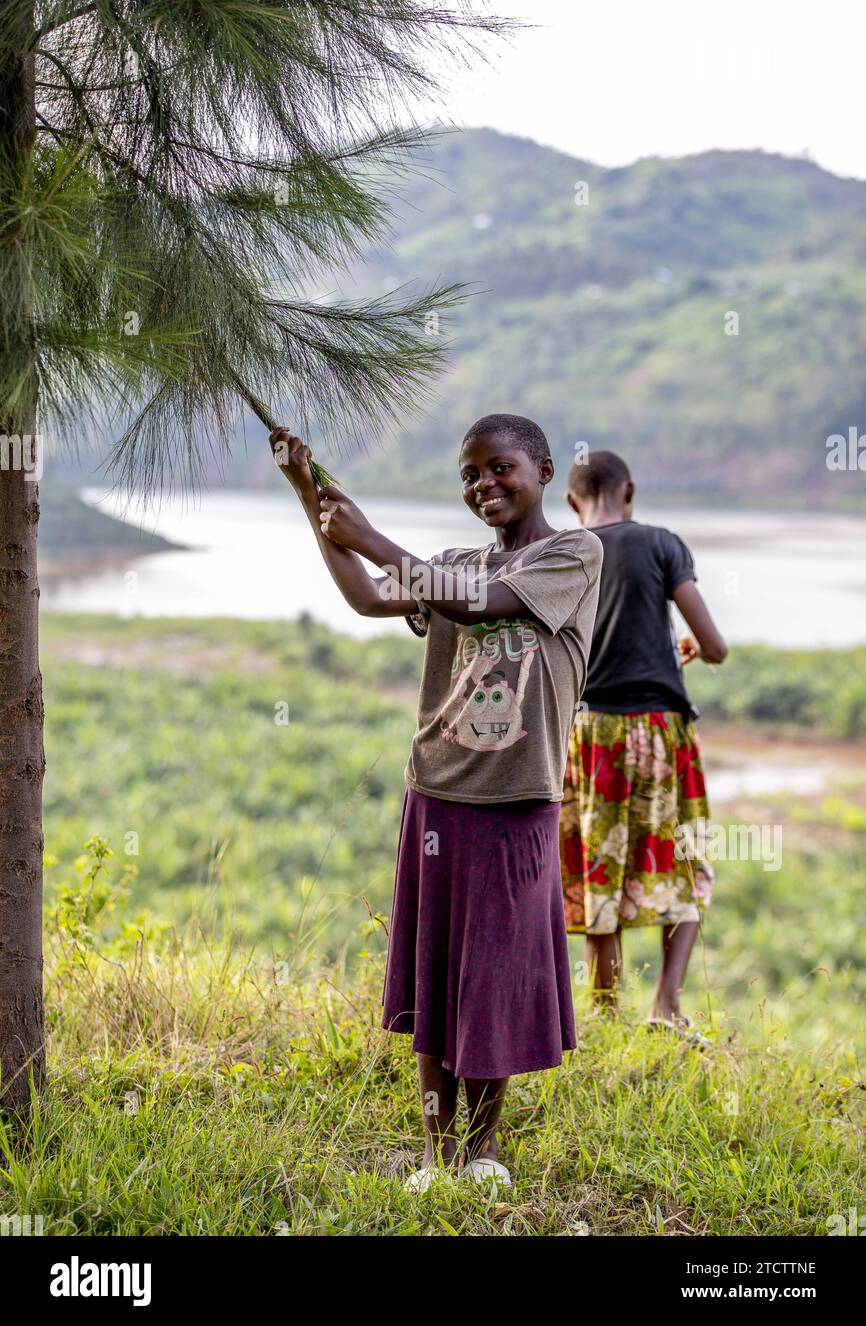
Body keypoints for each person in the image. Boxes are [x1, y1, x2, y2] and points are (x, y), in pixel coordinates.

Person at [269, 414, 602, 1190]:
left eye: (500, 468)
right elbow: (363, 596)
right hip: (439, 794)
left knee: (494, 979)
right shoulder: (448, 562)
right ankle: (433, 1149)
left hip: (520, 799)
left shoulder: (572, 554)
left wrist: (378, 537)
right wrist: (306, 493)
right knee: (435, 976)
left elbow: (484, 602)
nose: (483, 484)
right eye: (470, 475)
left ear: (545, 469)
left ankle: (480, 1149)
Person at [559, 450, 727, 1043]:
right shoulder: (662, 543)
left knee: (600, 866)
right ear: (628, 492)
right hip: (659, 728)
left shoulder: (568, 552)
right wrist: (694, 650)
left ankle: (604, 1014)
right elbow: (715, 645)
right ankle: (666, 1004)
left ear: (572, 502)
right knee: (685, 858)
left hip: (592, 730)